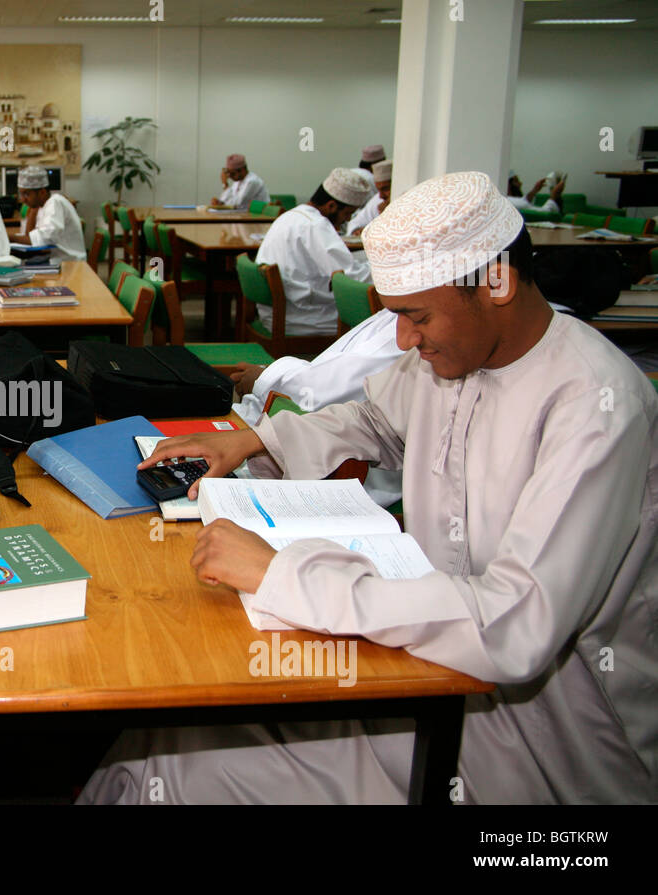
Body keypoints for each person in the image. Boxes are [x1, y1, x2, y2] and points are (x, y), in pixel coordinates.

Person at [82, 171, 658, 804]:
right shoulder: (456, 353)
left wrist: (283, 576)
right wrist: (252, 441)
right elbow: (375, 419)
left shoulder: (594, 405)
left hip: (543, 731)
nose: (404, 341)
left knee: (187, 770)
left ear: (497, 284)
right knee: (154, 742)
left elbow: (514, 625)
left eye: (415, 317)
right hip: (429, 653)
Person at [226, 307, 404, 507]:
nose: (407, 339)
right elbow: (368, 422)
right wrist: (257, 439)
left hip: (355, 485)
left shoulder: (408, 339)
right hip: (319, 441)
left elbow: (321, 393)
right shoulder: (402, 321)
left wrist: (266, 378)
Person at [253, 167, 374, 336]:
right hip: (299, 318)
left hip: (276, 312)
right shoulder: (315, 225)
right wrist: (387, 270)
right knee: (375, 322)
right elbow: (351, 275)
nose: (347, 220)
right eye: (348, 213)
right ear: (331, 205)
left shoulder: (291, 215)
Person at [10, 165, 86, 262]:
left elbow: (44, 239)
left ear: (42, 192)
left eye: (26, 194)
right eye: (21, 194)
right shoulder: (42, 206)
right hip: (55, 259)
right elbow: (30, 237)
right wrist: (33, 208)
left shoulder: (55, 203)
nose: (22, 199)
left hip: (70, 264)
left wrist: (10, 238)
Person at [345, 159, 392, 235]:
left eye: (385, 189)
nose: (381, 196)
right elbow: (355, 224)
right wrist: (357, 231)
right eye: (379, 190)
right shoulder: (377, 200)